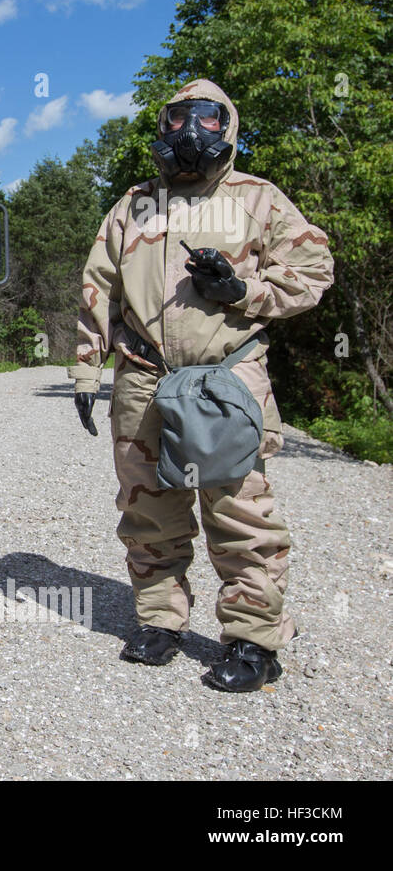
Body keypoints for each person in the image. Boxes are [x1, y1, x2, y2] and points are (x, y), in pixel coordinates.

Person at [69, 79, 334, 692]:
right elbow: (97, 289)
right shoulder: (134, 204)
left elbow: (314, 270)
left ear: (229, 127)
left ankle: (253, 641)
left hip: (225, 379)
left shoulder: (257, 199)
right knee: (149, 510)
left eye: (207, 119)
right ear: (162, 127)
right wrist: (87, 366)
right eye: (179, 118)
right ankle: (161, 622)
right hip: (143, 377)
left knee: (239, 512)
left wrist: (246, 291)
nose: (191, 130)